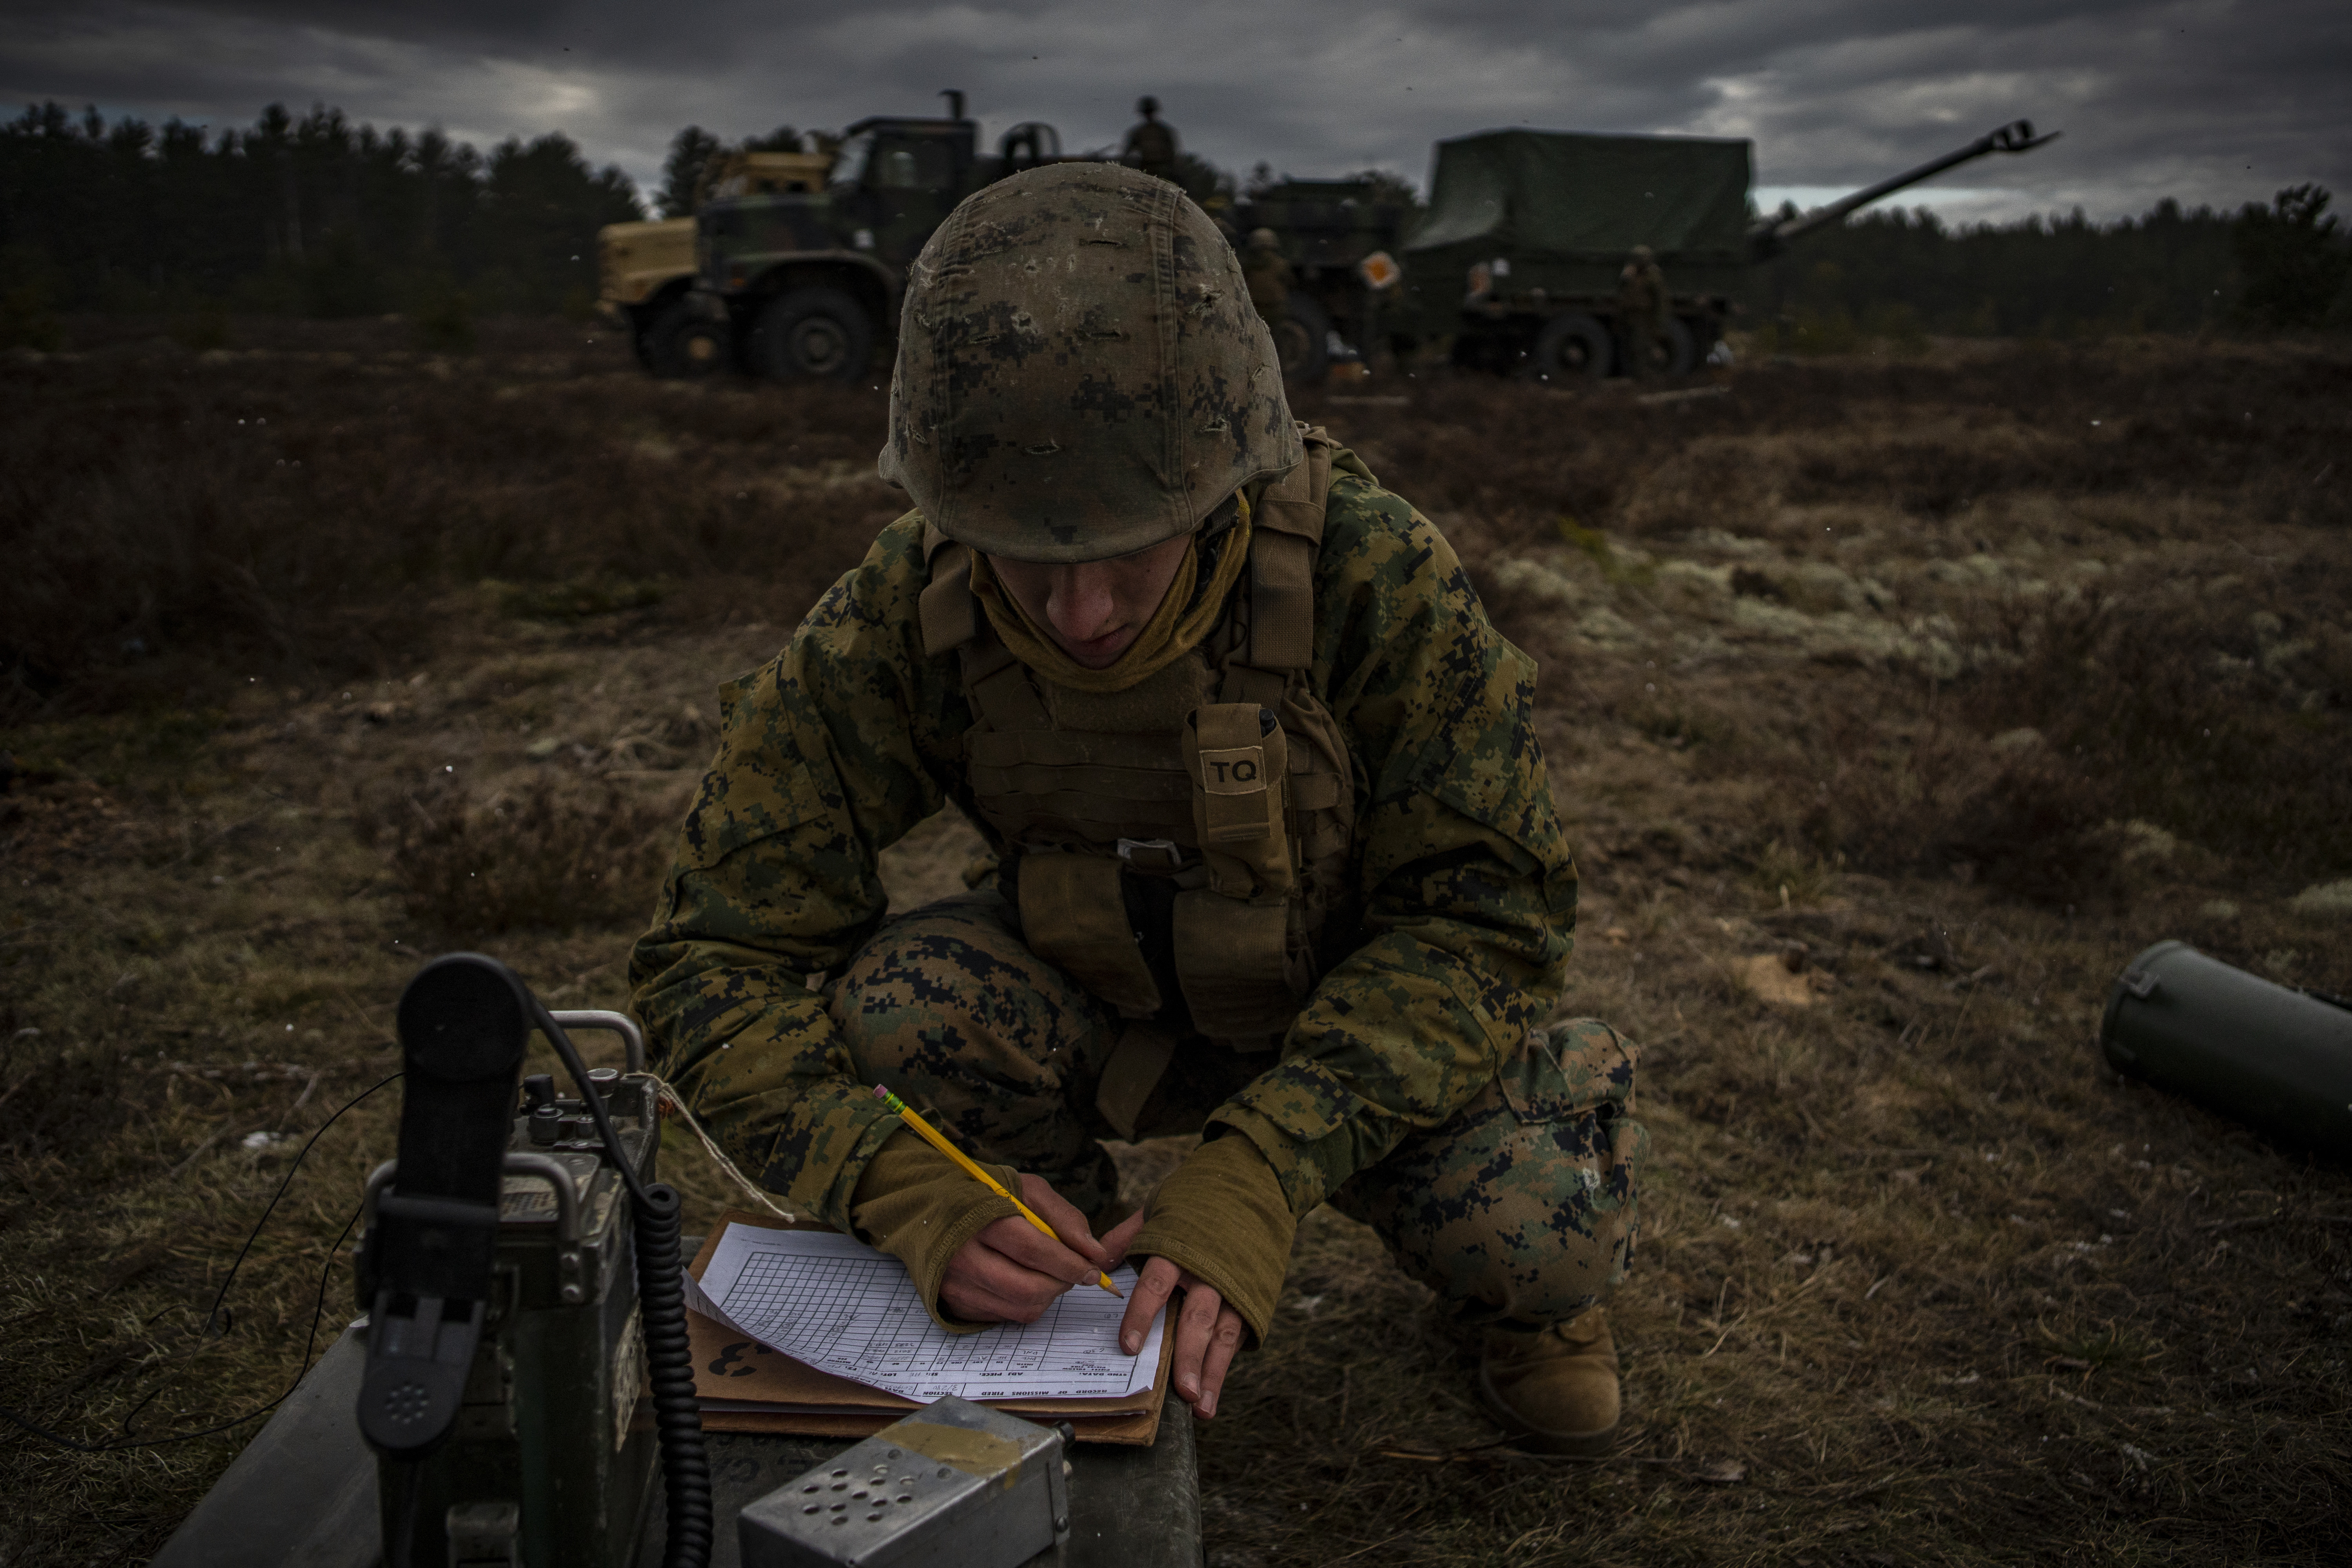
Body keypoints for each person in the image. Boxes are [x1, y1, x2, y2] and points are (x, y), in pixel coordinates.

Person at [630, 162, 1647, 1454]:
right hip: (1093, 1001)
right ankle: (1068, 1280)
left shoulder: (1372, 574)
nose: (1082, 616)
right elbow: (715, 953)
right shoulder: (901, 612)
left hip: (1346, 1015)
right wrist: (893, 1181)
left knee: (1535, 1216)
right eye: (1030, 560)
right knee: (907, 1010)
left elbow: (1488, 922)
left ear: (1224, 484)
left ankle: (1521, 1313)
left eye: (1131, 552)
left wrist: (1265, 1165)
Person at [1613, 244, 1672, 377]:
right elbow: (1623, 293)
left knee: (1642, 347)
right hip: (1631, 315)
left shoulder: (1653, 276)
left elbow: (1660, 300)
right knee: (1631, 347)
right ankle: (1637, 374)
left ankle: (1645, 375)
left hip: (1645, 317)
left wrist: (1659, 323)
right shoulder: (1630, 274)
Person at [1241, 227, 1293, 331]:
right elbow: (1291, 283)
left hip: (1254, 310)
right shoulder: (1281, 264)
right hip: (1276, 310)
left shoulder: (1246, 265)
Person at [1121, 96, 1180, 184]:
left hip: (1163, 169)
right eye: (1147, 113)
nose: (1149, 115)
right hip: (1145, 169)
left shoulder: (1164, 131)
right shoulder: (1138, 132)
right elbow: (1127, 153)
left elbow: (1173, 152)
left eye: (1150, 112)